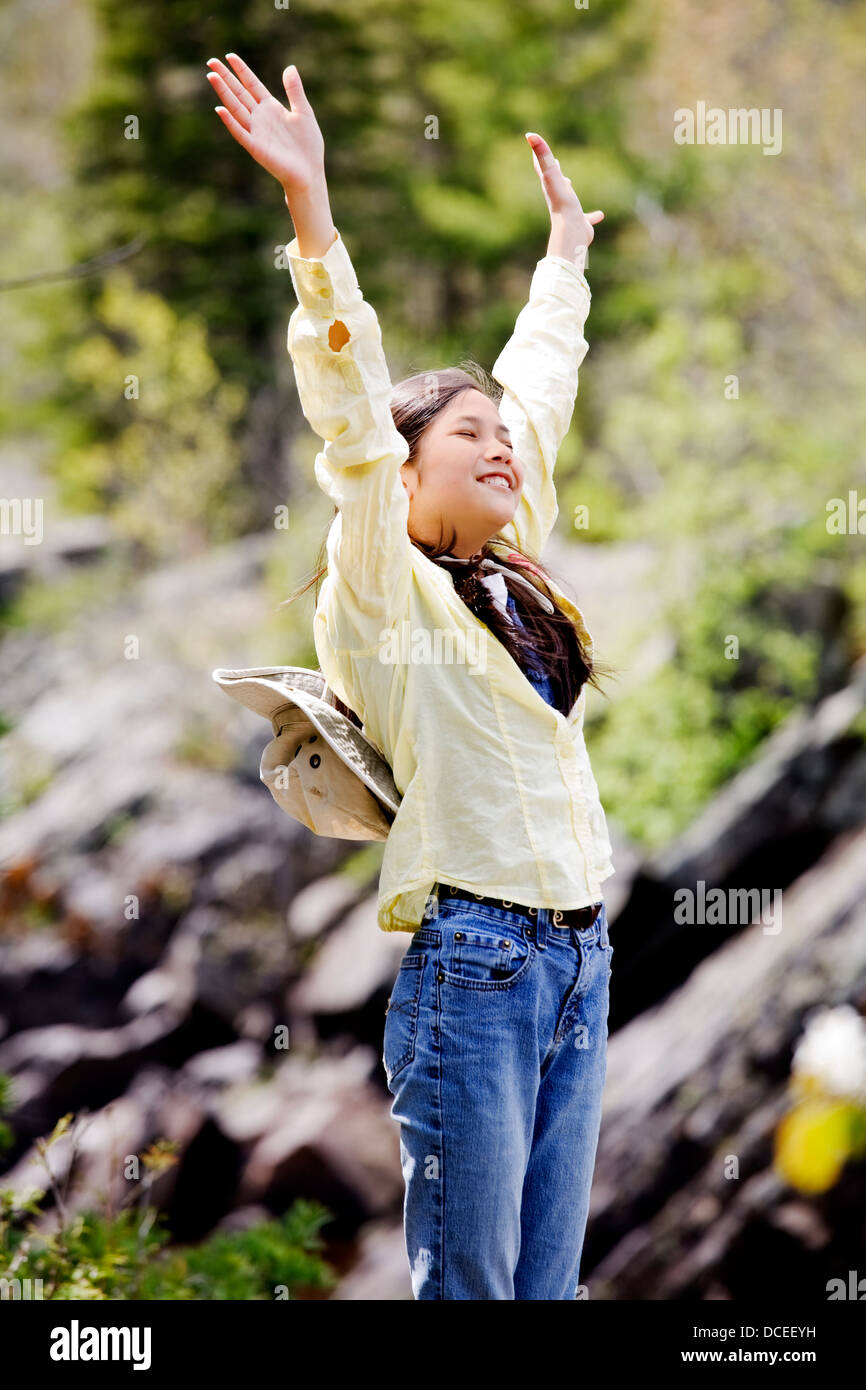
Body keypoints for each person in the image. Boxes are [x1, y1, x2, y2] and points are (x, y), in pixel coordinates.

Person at [207, 52, 617, 1300]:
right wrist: (310, 212)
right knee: (474, 1293)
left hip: (579, 959)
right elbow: (345, 405)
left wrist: (562, 261)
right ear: (406, 469)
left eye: (502, 440)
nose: (501, 447)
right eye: (466, 435)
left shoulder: (512, 559)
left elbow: (538, 384)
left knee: (541, 1293)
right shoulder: (383, 583)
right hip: (476, 965)